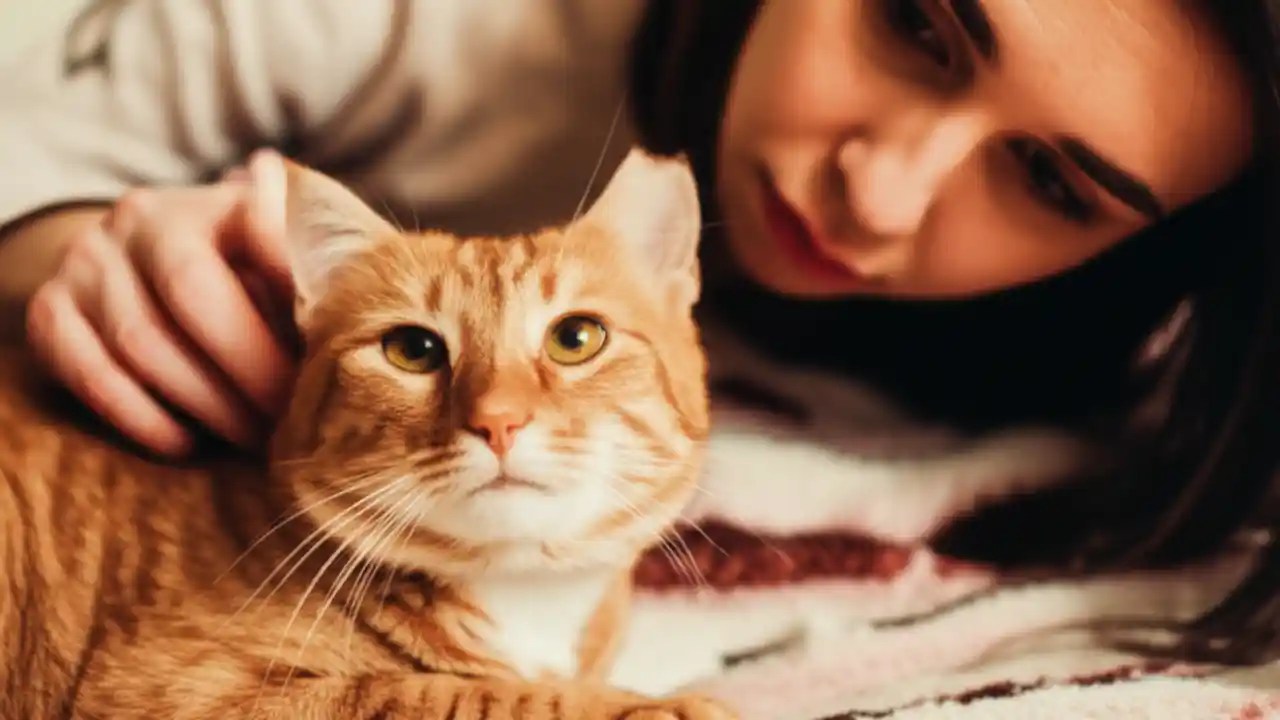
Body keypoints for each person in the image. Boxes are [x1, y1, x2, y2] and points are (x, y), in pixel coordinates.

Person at [0, 0, 1276, 661]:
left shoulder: (1156, 333)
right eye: (911, 22)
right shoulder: (411, 23)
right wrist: (63, 244)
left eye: (1049, 183)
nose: (876, 196)